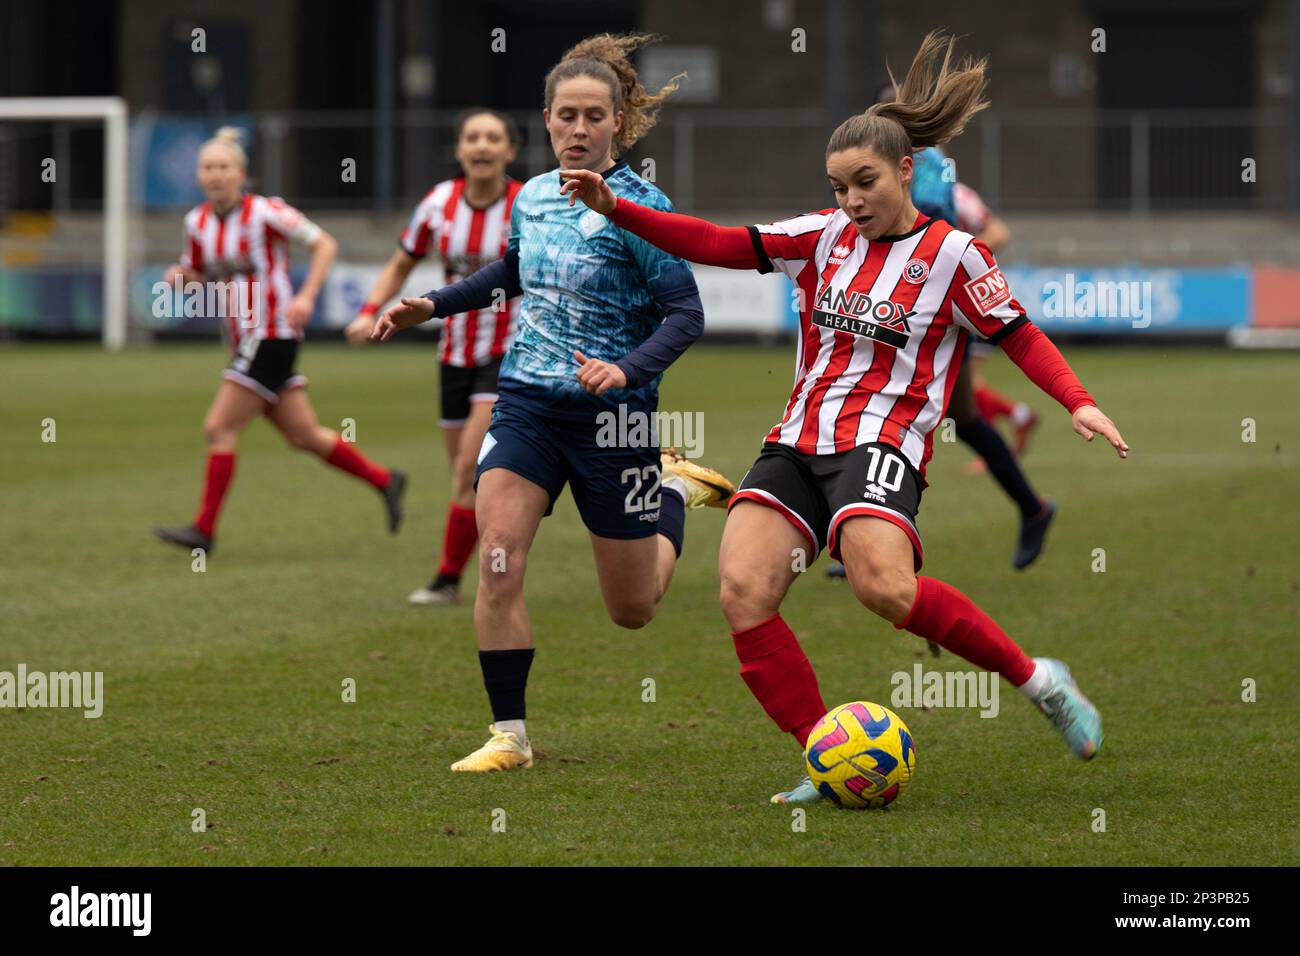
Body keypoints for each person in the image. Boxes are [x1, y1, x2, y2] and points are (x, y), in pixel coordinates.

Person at [559, 31, 1128, 803]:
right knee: (742, 592)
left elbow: (1018, 334)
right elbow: (720, 242)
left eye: (864, 183)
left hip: (885, 441)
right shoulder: (821, 237)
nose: (851, 201)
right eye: (837, 188)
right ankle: (829, 761)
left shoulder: (957, 256)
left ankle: (1040, 680)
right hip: (796, 442)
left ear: (905, 170)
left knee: (883, 590)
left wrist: (1079, 402)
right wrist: (618, 209)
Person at [372, 34, 736, 772]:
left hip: (616, 423)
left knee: (632, 611)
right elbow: (509, 272)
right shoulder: (533, 196)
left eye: (593, 116)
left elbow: (686, 315)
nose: (577, 129)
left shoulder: (642, 207)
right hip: (526, 407)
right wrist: (433, 304)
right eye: (566, 115)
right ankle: (510, 736)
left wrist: (627, 372)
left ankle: (673, 488)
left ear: (616, 124)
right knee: (498, 564)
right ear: (546, 119)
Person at [153, 128, 405, 555]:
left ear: (241, 173)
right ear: (198, 175)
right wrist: (179, 278)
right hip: (243, 340)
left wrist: (306, 296)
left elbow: (325, 244)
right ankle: (385, 480)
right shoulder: (195, 222)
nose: (216, 175)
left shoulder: (266, 212)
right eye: (208, 168)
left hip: (271, 335)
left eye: (224, 167)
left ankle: (204, 530)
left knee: (219, 427)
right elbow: (197, 272)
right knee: (304, 435)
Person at [346, 109, 523, 606]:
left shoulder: (527, 204)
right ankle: (499, 550)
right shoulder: (438, 204)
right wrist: (368, 309)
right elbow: (402, 261)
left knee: (470, 469)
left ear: (510, 150)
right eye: (473, 137)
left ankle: (448, 579)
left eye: (493, 137)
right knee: (467, 480)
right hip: (453, 353)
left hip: (509, 352)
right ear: (460, 149)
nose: (482, 146)